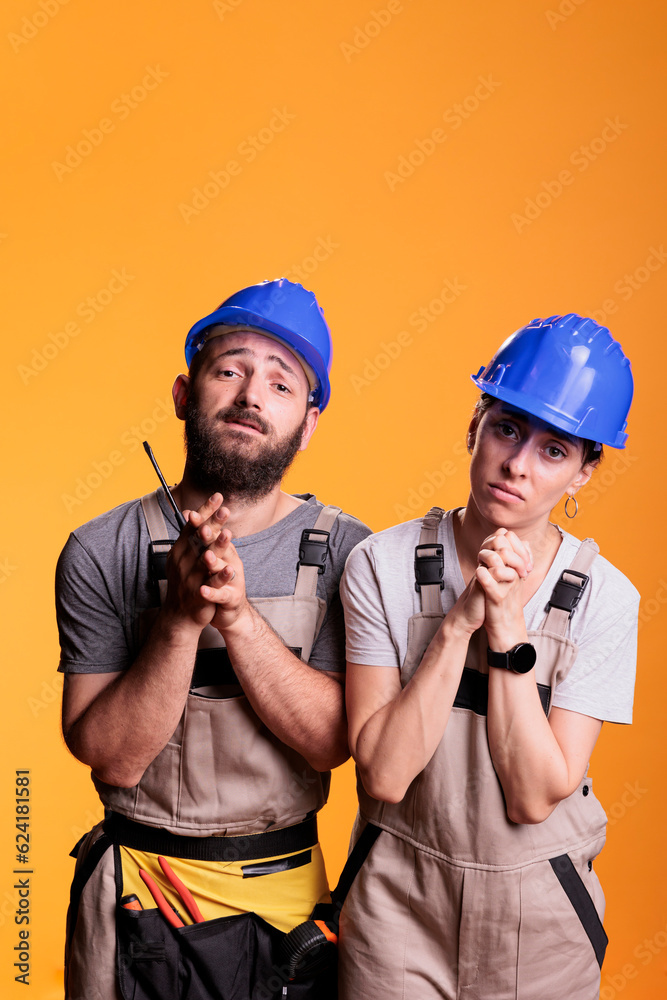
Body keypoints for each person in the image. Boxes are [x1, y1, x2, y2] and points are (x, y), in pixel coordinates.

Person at [56, 278, 371, 1000]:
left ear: (308, 421)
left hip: (286, 903)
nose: (250, 395)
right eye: (228, 369)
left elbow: (328, 742)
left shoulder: (350, 551)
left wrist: (235, 614)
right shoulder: (101, 548)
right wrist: (178, 620)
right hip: (138, 897)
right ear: (182, 393)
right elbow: (112, 759)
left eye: (280, 383)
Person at [338, 313, 638, 1000]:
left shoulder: (606, 600)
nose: (517, 465)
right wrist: (458, 622)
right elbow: (383, 774)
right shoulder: (378, 565)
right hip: (395, 909)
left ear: (586, 470)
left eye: (554, 451)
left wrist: (504, 626)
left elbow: (535, 794)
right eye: (506, 428)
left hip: (541, 920)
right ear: (474, 424)